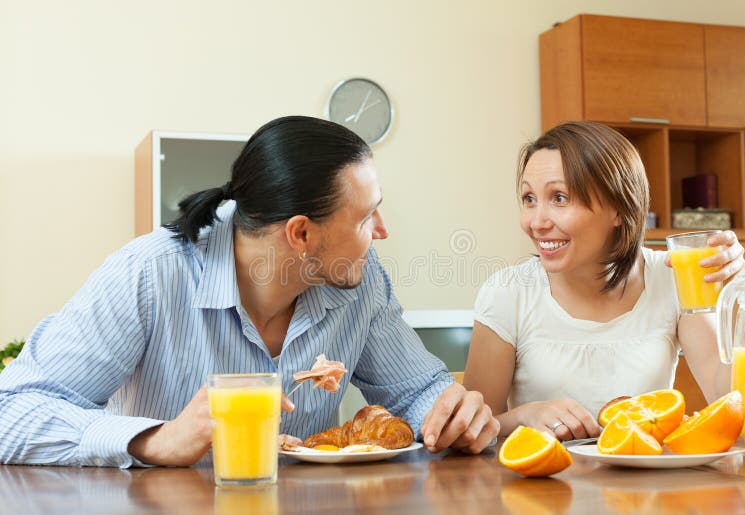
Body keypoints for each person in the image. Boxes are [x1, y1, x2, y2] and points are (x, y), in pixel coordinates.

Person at [0, 116, 499, 467]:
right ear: (301, 234)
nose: (383, 230)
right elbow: (12, 412)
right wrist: (156, 439)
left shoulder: (360, 283)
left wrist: (451, 411)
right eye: (367, 216)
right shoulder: (149, 274)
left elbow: (414, 391)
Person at [463, 121, 745, 441]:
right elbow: (472, 432)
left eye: (558, 197)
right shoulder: (508, 293)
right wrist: (523, 416)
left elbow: (729, 398)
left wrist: (742, 297)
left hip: (646, 484)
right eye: (529, 198)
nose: (536, 222)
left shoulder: (672, 277)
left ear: (618, 209)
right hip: (539, 484)